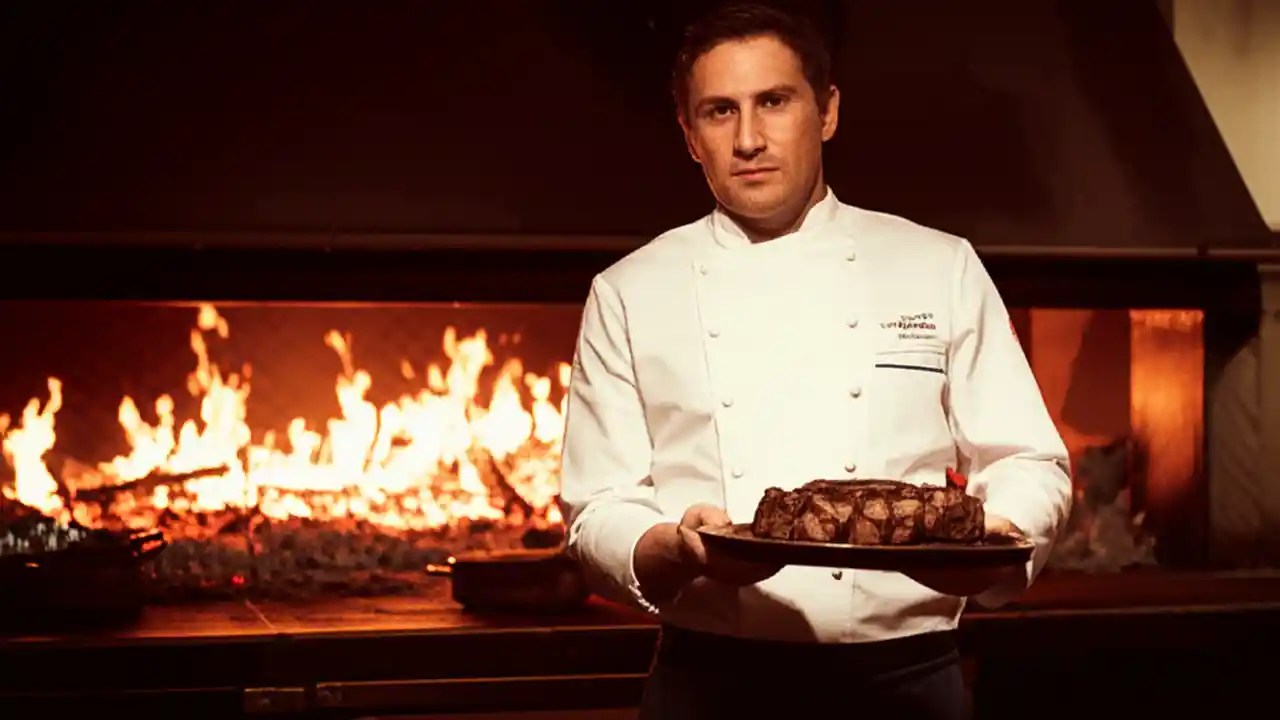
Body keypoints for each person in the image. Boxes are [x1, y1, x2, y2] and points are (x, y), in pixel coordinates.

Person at [556, 2, 1073, 717]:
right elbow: (598, 506)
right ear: (688, 135)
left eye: (774, 102)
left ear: (826, 111)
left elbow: (1028, 460)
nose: (748, 138)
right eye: (718, 111)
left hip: (908, 678)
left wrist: (998, 537)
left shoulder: (937, 265)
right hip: (712, 680)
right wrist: (674, 548)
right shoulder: (629, 291)